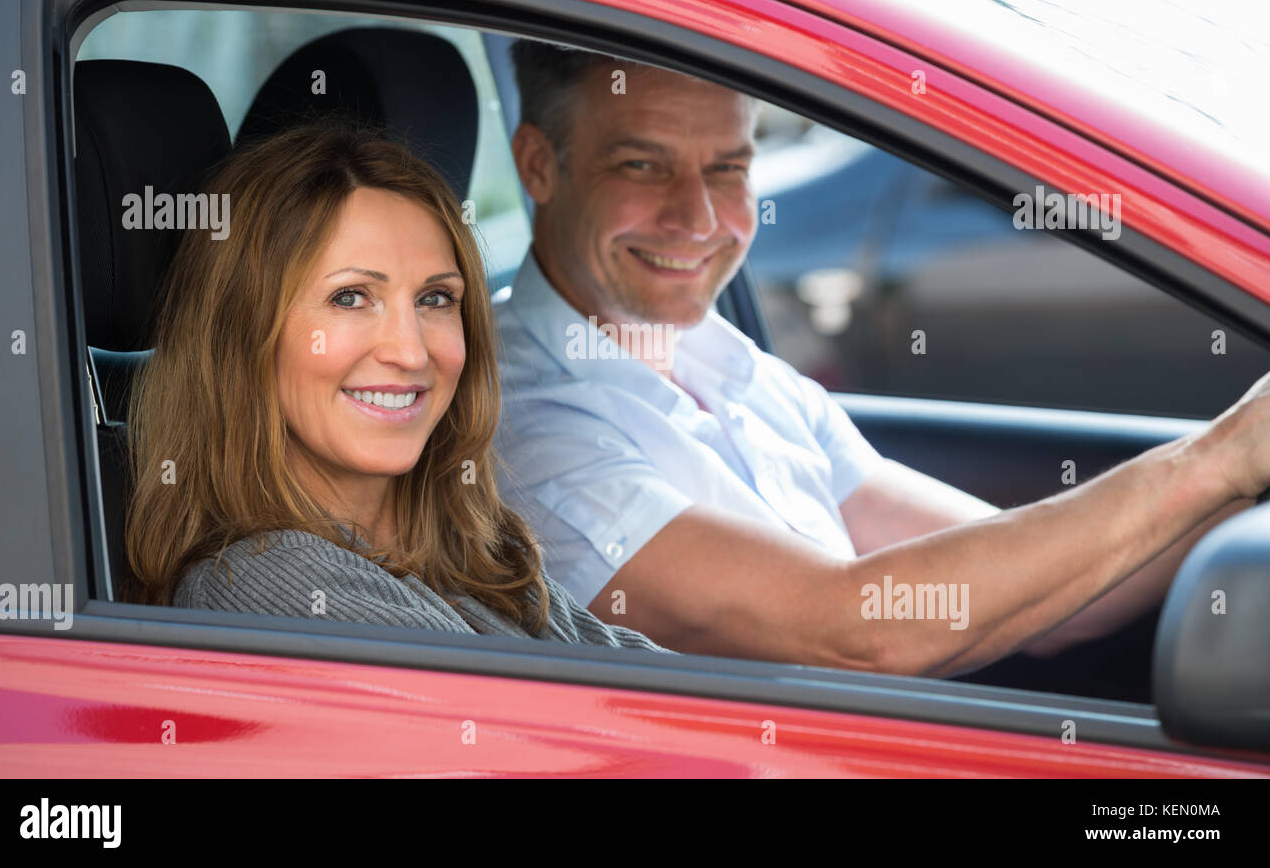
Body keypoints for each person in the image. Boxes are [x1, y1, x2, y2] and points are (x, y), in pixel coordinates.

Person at [493, 39, 1266, 677]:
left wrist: (1242, 477)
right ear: (538, 166)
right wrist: (1218, 458)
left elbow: (1052, 589)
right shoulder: (528, 432)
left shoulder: (727, 365)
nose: (700, 219)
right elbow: (859, 627)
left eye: (727, 169)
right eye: (643, 166)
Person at [121, 121, 666, 654]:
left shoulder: (479, 553)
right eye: (350, 297)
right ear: (242, 337)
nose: (410, 352)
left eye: (434, 300)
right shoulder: (262, 582)